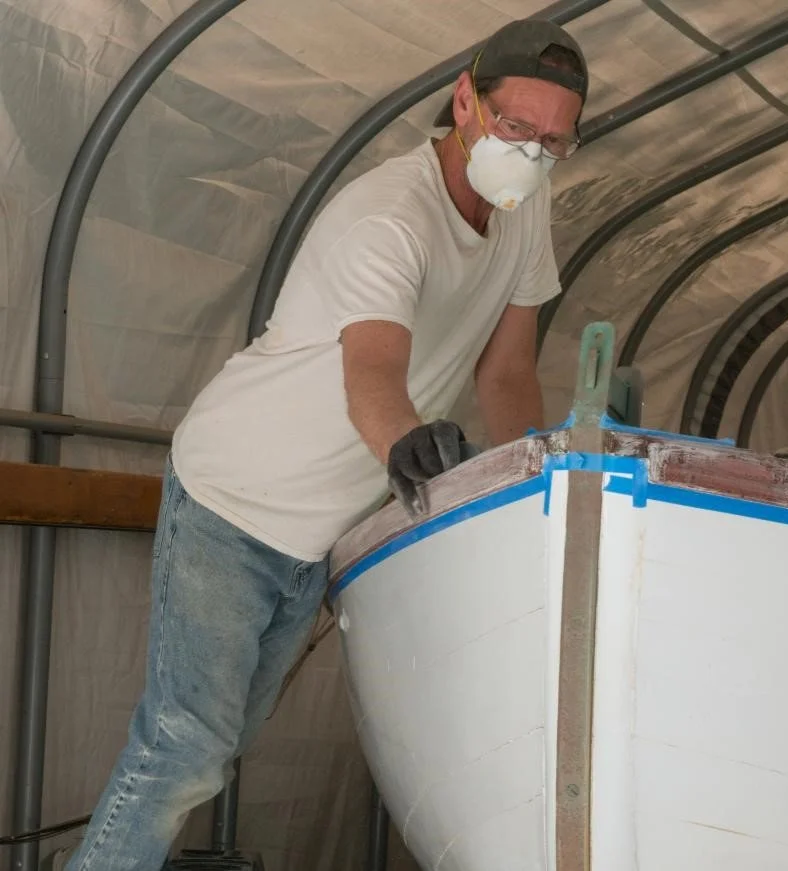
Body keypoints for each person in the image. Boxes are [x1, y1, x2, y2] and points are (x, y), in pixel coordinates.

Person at [66, 16, 588, 870]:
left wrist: (533, 487)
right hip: (237, 499)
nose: (529, 153)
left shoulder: (521, 212)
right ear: (464, 99)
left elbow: (507, 374)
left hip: (322, 526)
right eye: (513, 127)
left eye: (552, 142)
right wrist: (406, 446)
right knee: (183, 749)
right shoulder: (390, 214)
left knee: (216, 747)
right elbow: (372, 370)